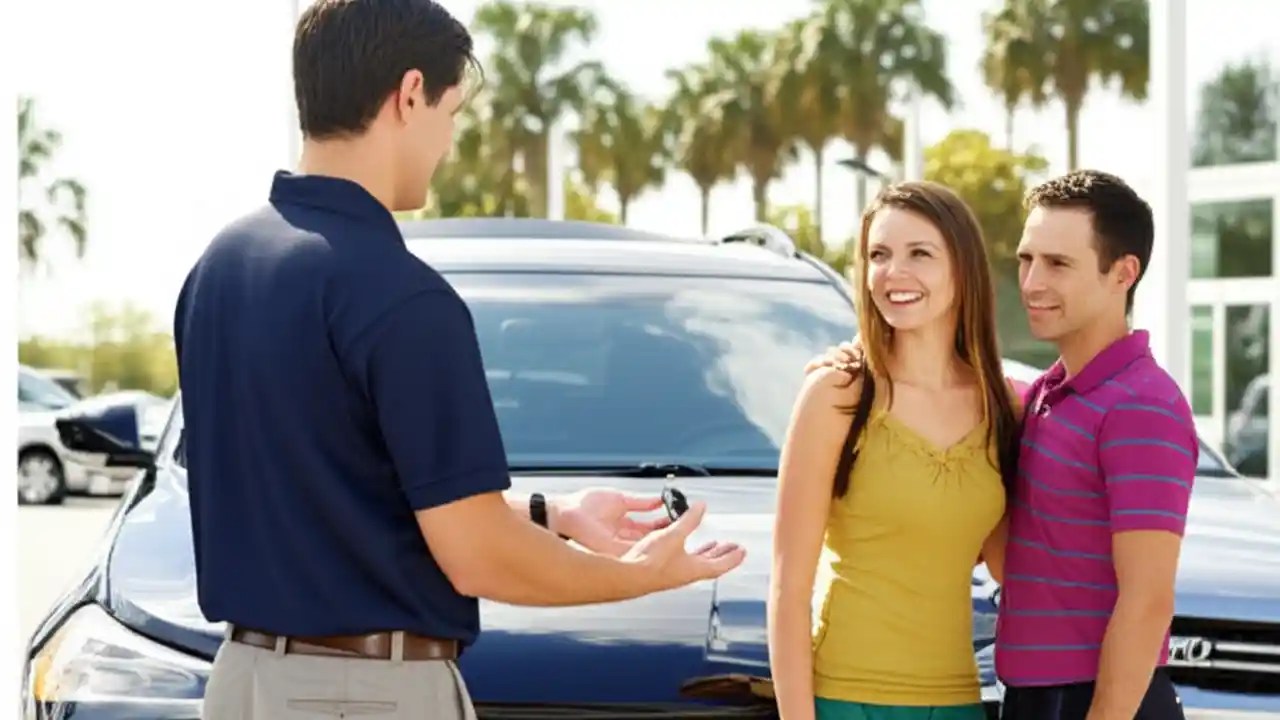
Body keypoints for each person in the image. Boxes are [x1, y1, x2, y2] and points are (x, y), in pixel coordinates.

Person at [172, 1, 745, 718]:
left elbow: (342, 496)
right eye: (452, 112)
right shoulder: (400, 294)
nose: (447, 141)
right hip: (370, 693)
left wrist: (555, 513)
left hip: (241, 684)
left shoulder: (219, 270)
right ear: (410, 94)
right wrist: (634, 576)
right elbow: (475, 553)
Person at [807, 170, 1197, 720]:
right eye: (1026, 259)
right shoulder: (1030, 399)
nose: (1033, 282)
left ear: (1123, 274)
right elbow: (1005, 555)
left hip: (1100, 700)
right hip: (1029, 694)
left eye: (1058, 264)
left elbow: (1149, 601)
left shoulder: (1142, 405)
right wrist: (864, 357)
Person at [768, 180, 1022, 720]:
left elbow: (1009, 564)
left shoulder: (1003, 407)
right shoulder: (836, 395)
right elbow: (788, 589)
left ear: (963, 269)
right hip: (845, 699)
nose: (892, 273)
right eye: (878, 255)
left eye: (919, 254)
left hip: (957, 700)